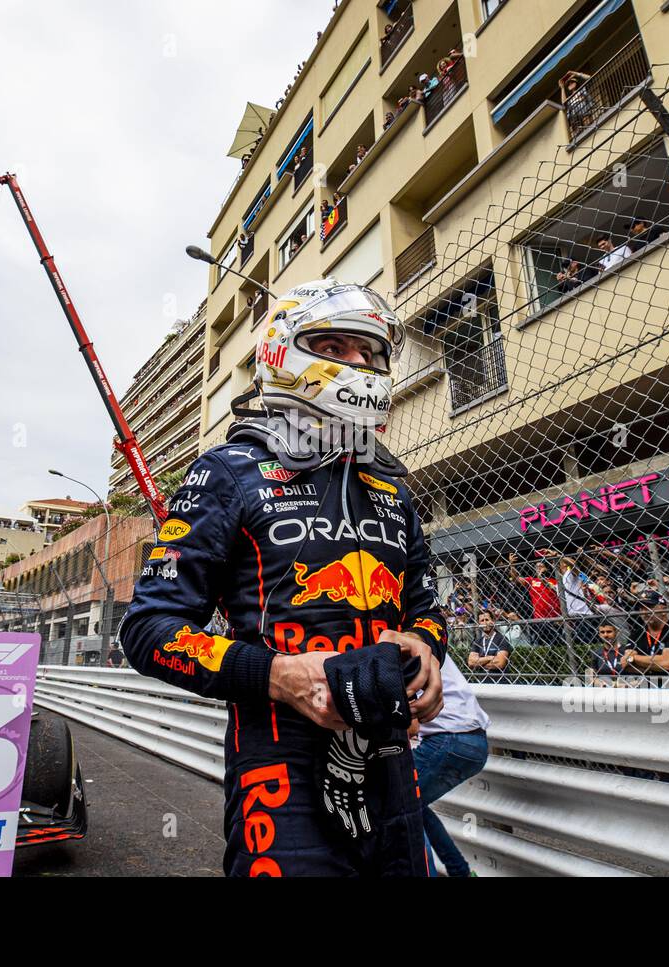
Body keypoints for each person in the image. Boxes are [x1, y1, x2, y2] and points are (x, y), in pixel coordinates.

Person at [120, 278, 447, 877]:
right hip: (279, 758)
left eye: (371, 351)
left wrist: (425, 644)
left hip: (390, 753)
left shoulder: (393, 486)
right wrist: (277, 675)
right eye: (336, 345)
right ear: (285, 354)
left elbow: (425, 605)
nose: (360, 363)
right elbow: (148, 629)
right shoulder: (228, 471)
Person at [412, 654, 490, 877]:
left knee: (402, 804)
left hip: (448, 739)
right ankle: (460, 871)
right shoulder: (430, 636)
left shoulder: (401, 640)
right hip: (475, 741)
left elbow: (410, 728)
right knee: (415, 805)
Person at [623, 591, 669, 688]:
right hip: (648, 686)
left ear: (663, 609)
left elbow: (667, 663)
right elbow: (625, 664)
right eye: (641, 607)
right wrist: (661, 667)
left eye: (649, 607)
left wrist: (633, 659)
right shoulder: (636, 634)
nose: (644, 612)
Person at [467, 609, 511, 678]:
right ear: (479, 624)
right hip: (482, 682)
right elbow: (471, 663)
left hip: (500, 681)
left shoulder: (502, 639)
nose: (485, 623)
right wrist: (490, 658)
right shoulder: (478, 641)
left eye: (487, 619)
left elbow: (500, 663)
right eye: (482, 620)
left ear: (492, 621)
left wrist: (479, 663)